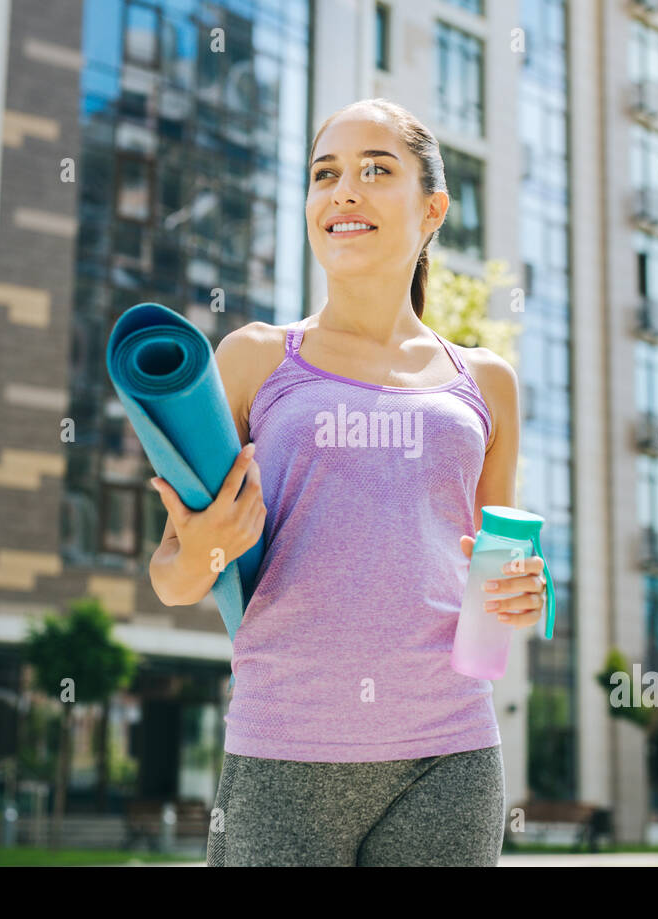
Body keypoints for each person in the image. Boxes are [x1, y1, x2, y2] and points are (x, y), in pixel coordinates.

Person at [148, 98, 548, 866]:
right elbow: (171, 577)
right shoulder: (256, 358)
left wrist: (527, 592)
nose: (344, 192)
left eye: (375, 170)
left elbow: (498, 563)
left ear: (432, 210)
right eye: (325, 174)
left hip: (449, 755)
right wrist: (203, 548)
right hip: (283, 751)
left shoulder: (487, 383)